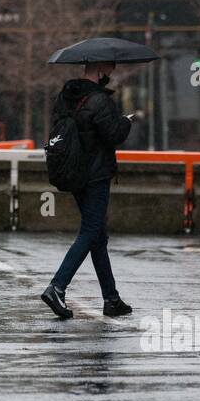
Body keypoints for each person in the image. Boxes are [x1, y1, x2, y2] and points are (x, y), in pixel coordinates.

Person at [40, 61, 135, 320]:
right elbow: (113, 134)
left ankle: (111, 299)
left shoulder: (66, 96)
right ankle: (57, 287)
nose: (113, 71)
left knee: (97, 236)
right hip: (95, 175)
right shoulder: (99, 100)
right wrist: (125, 122)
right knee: (90, 231)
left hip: (74, 172)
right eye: (111, 68)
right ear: (100, 69)